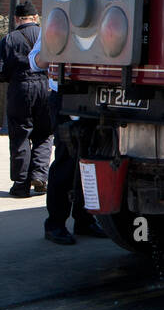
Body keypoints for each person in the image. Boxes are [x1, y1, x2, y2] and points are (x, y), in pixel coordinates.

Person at [29, 34, 106, 244]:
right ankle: (55, 224)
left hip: (93, 95)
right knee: (66, 160)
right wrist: (55, 46)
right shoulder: (58, 21)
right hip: (65, 95)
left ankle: (85, 219)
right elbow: (35, 61)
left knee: (89, 160)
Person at [0, 1, 52, 197]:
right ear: (35, 18)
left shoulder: (9, 39)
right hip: (46, 87)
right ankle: (40, 176)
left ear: (17, 19)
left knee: (20, 135)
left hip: (20, 89)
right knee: (44, 134)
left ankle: (20, 184)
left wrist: (14, 78)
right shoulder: (47, 36)